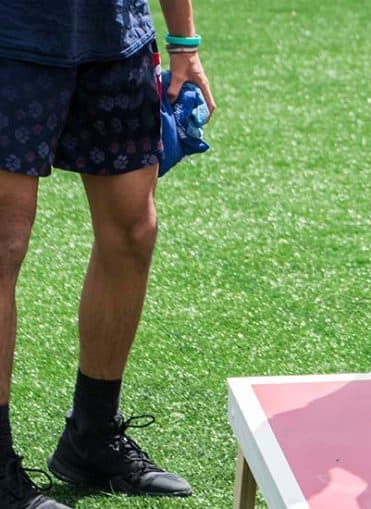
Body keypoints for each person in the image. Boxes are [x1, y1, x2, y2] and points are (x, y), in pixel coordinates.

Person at [0, 1, 215, 507]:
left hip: (115, 34)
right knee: (4, 242)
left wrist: (184, 41)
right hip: (10, 41)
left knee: (133, 229)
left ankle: (91, 437)